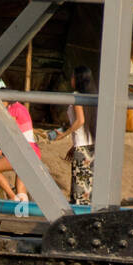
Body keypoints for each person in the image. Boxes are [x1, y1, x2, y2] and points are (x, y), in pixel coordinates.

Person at [47, 66, 97, 206]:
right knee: (87, 188)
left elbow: (80, 120)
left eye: (73, 77)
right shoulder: (91, 96)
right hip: (90, 147)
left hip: (82, 149)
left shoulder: (77, 96)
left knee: (79, 190)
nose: (71, 79)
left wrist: (64, 134)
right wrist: (73, 145)